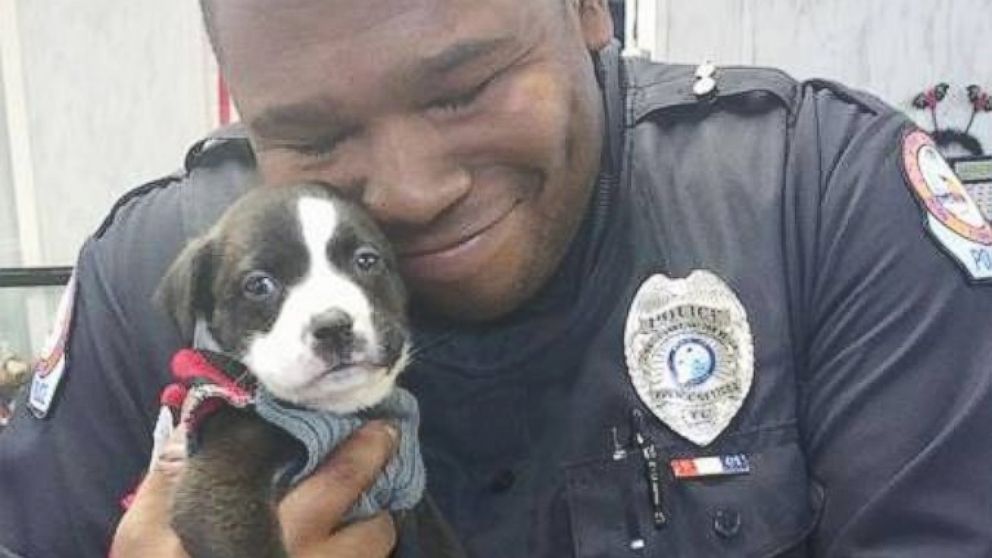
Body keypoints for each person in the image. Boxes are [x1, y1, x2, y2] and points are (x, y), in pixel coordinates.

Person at [2, 0, 992, 556]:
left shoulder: (817, 198)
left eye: (464, 88)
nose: (405, 193)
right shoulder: (159, 274)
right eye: (306, 135)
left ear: (586, 10)